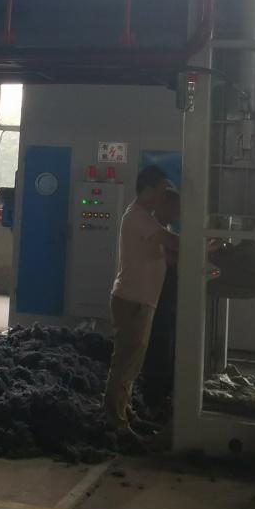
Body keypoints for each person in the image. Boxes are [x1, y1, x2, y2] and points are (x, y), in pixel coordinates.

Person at [104, 165, 179, 434]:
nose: (162, 197)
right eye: (160, 191)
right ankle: (115, 422)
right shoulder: (138, 217)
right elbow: (171, 242)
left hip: (141, 301)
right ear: (148, 190)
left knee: (133, 364)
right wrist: (201, 242)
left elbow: (163, 253)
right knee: (124, 364)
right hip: (132, 301)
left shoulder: (146, 218)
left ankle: (124, 411)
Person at [141, 186, 181, 412]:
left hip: (166, 296)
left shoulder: (165, 227)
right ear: (163, 206)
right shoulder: (152, 228)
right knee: (158, 346)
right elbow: (169, 255)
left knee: (167, 344)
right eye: (175, 208)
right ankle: (153, 399)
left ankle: (162, 394)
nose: (178, 214)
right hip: (155, 296)